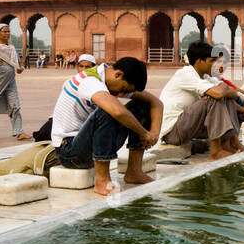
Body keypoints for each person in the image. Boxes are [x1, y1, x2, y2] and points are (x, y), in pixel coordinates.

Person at [47, 57, 163, 193]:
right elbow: (117, 112)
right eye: (124, 89)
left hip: (95, 146)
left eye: (125, 92)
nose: (121, 94)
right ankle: (102, 181)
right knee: (108, 109)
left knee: (141, 105)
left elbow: (156, 103)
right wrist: (144, 133)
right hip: (70, 153)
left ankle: (134, 171)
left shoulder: (111, 80)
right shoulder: (90, 80)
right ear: (118, 74)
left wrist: (153, 134)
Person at [159, 42, 244, 159]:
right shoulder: (185, 74)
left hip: (190, 128)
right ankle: (216, 152)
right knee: (214, 98)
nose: (214, 65)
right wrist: (223, 88)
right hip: (173, 132)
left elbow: (237, 93)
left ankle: (229, 144)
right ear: (199, 61)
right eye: (211, 61)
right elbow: (219, 93)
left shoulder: (205, 77)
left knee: (226, 96)